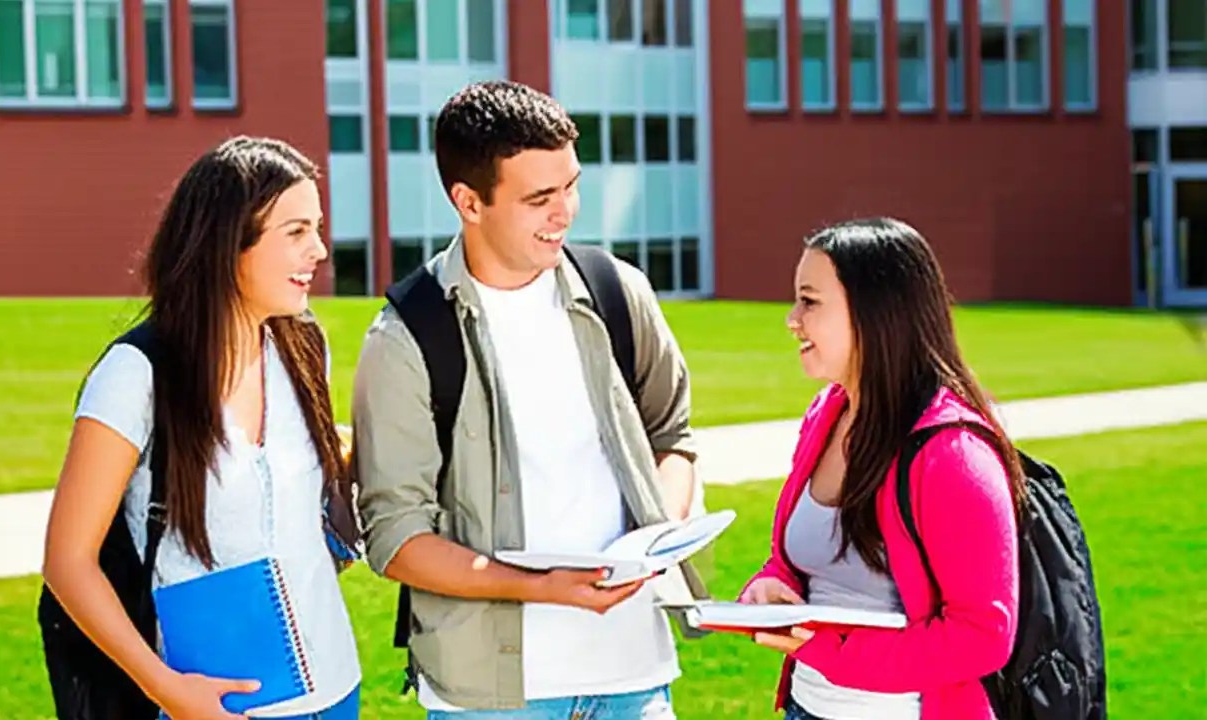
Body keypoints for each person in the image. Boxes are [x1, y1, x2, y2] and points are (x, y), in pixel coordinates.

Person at [352, 80, 702, 719]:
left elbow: (671, 435)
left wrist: (654, 542)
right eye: (539, 197)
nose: (565, 212)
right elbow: (395, 536)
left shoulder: (618, 292)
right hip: (493, 698)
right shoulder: (407, 338)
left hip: (635, 678)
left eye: (570, 185)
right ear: (469, 201)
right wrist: (541, 590)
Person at [41, 136, 362, 720]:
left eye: (316, 228)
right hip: (205, 707)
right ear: (227, 245)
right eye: (295, 232)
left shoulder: (304, 346)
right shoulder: (136, 375)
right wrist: (166, 688)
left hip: (336, 690)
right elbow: (68, 561)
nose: (318, 250)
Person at [739, 218, 1023, 720]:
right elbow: (803, 559)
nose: (792, 319)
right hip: (806, 707)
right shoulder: (826, 416)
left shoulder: (952, 454)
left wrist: (830, 652)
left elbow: (982, 635)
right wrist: (770, 584)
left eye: (810, 301)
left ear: (873, 313)